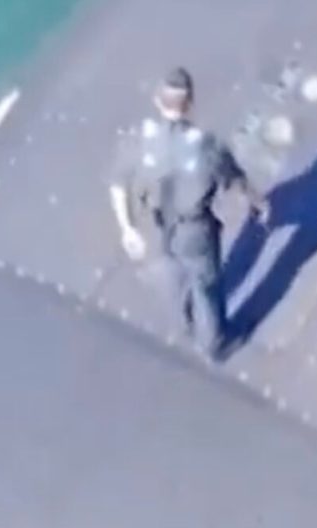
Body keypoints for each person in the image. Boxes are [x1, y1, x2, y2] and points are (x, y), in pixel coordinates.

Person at [108, 66, 267, 361]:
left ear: (158, 101)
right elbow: (235, 180)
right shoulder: (206, 146)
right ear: (190, 102)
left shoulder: (140, 140)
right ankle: (215, 344)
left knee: (172, 276)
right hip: (195, 230)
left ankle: (185, 323)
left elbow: (118, 184)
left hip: (157, 226)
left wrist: (127, 228)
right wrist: (259, 204)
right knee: (205, 283)